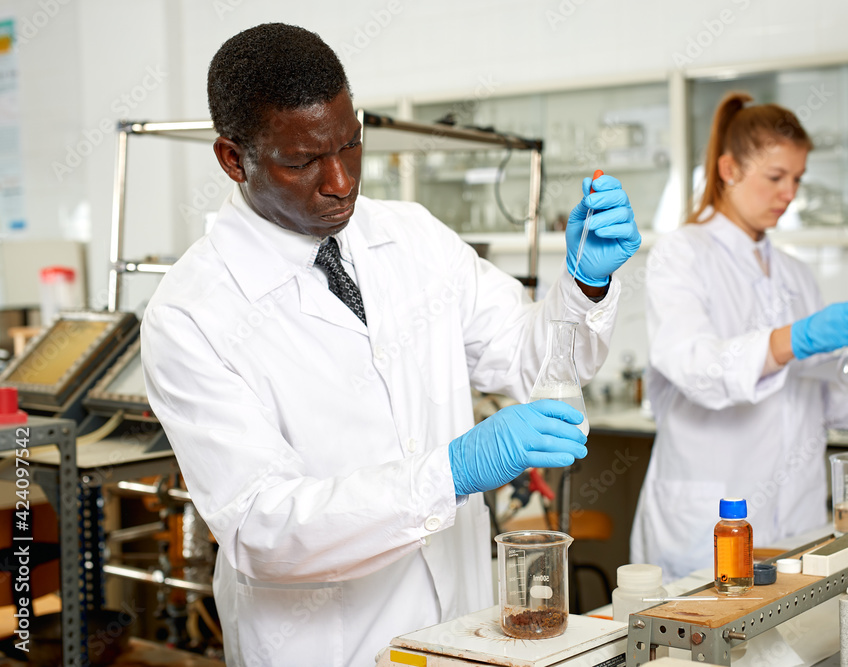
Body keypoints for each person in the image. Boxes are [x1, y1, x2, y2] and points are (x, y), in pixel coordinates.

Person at [139, 23, 640, 666]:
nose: (342, 181)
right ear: (234, 159)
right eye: (303, 162)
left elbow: (535, 361)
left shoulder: (412, 236)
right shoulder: (191, 313)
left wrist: (587, 287)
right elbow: (262, 527)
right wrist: (450, 473)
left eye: (351, 145)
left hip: (464, 634)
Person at [632, 92, 848, 582]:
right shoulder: (681, 254)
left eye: (797, 179)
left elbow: (820, 402)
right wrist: (792, 339)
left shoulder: (795, 274)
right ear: (729, 169)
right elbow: (694, 366)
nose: (789, 193)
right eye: (775, 177)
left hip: (797, 516)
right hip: (710, 517)